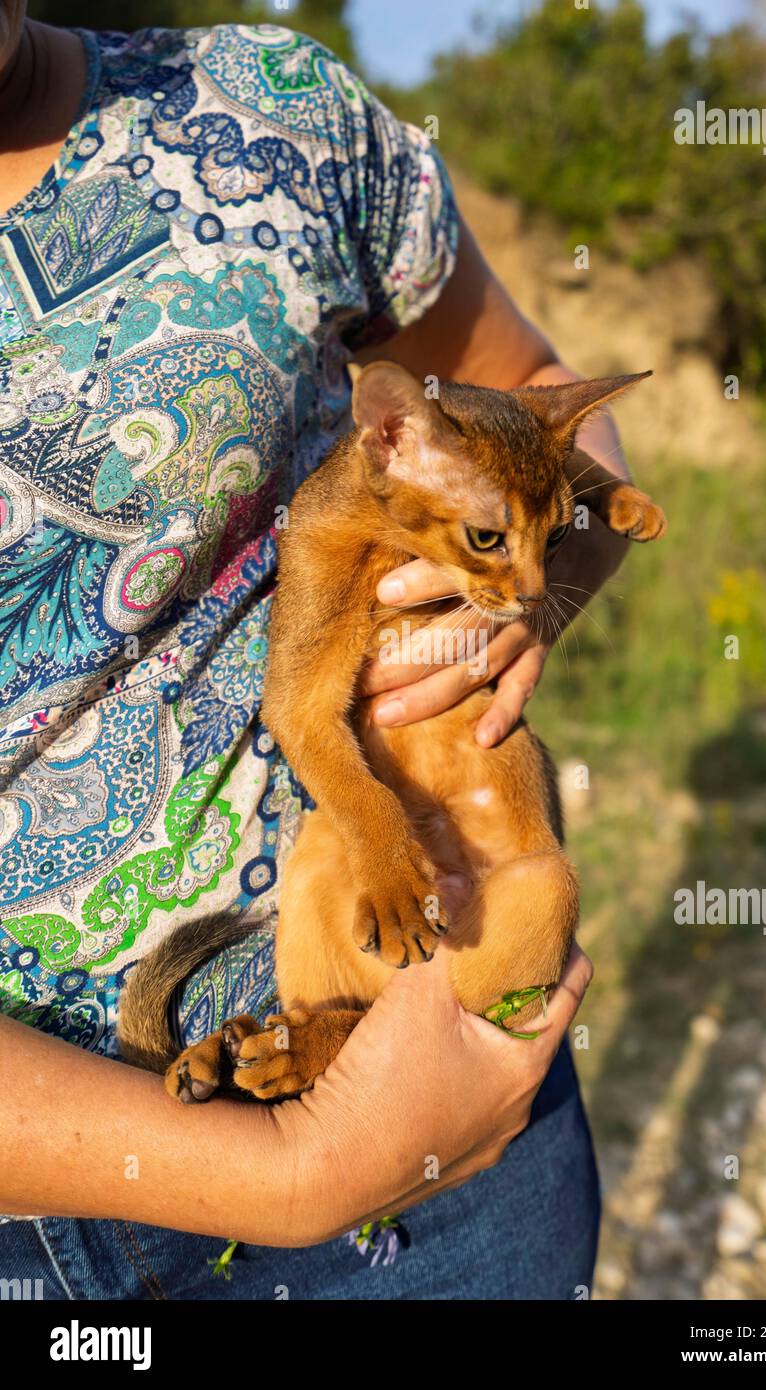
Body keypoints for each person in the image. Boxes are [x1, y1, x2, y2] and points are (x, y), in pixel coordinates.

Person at [0, 7, 630, 1299]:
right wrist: (289, 1172)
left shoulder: (269, 105)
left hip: (428, 1047)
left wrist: (527, 602)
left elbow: (527, 391)